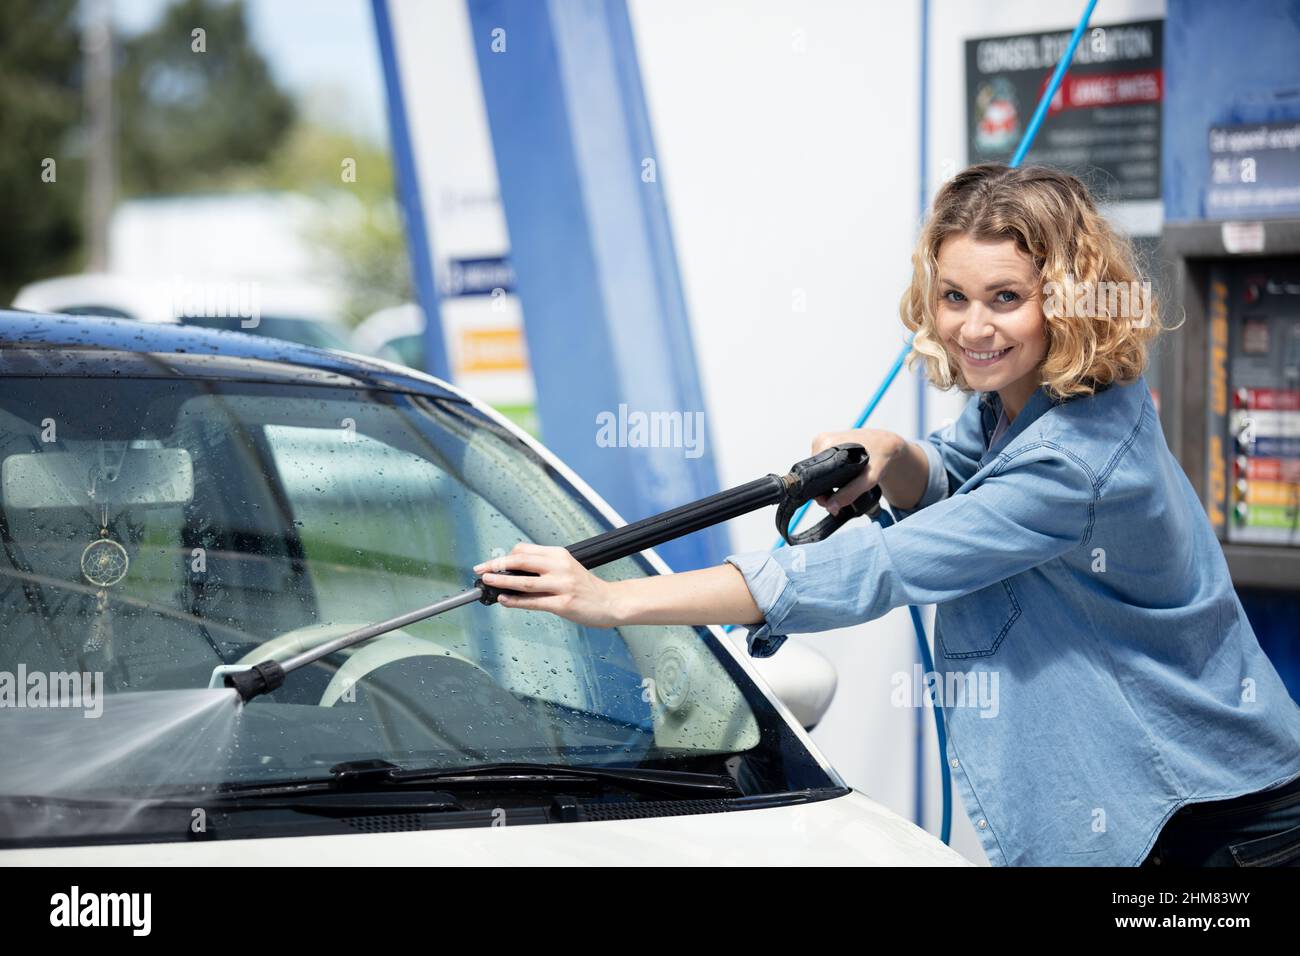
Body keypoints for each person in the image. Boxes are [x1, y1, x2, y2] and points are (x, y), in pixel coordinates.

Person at [472, 163, 1300, 866]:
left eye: (1006, 298)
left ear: (1067, 301)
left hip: (1216, 824)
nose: (973, 327)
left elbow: (880, 566)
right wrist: (896, 457)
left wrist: (614, 600)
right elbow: (965, 474)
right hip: (1177, 805)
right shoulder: (1029, 401)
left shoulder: (1076, 464)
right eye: (954, 296)